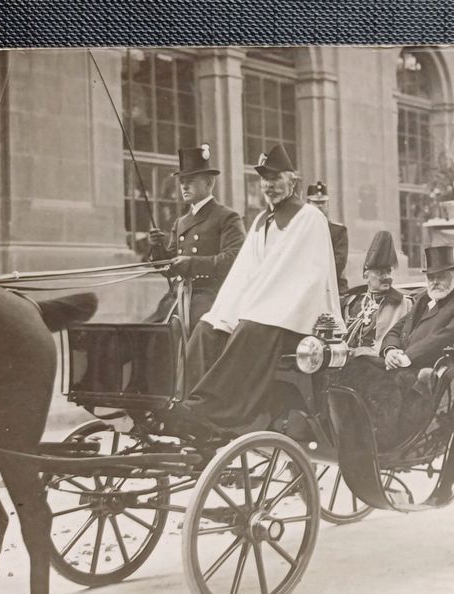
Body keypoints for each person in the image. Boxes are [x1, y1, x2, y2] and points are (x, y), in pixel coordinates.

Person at [166, 144, 345, 435]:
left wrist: (258, 307)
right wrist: (225, 311)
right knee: (207, 328)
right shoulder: (262, 221)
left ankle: (216, 409)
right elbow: (243, 271)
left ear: (293, 180)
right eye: (264, 179)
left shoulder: (309, 217)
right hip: (265, 305)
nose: (269, 185)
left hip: (296, 313)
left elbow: (306, 276)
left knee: (250, 329)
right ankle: (190, 405)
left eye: (275, 178)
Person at [335, 246, 454, 451]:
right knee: (353, 367)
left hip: (425, 367)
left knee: (384, 385)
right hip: (399, 361)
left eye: (441, 276)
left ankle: (382, 441)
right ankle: (346, 431)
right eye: (431, 277)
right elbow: (396, 329)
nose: (435, 282)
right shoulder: (424, 298)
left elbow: (446, 335)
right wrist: (391, 350)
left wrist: (407, 356)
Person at [144, 144, 244, 334]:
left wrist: (192, 263)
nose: (184, 186)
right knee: (145, 332)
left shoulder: (227, 217)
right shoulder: (181, 222)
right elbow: (169, 268)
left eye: (190, 180)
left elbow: (234, 260)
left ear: (209, 182)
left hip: (210, 295)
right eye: (182, 181)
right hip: (177, 294)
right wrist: (157, 249)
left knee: (189, 332)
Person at [343, 230, 412, 357]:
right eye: (380, 272)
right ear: (366, 275)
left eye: (388, 272)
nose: (386, 277)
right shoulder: (352, 302)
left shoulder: (404, 303)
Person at [306, 181, 349, 295]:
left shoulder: (338, 231)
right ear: (307, 204)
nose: (320, 206)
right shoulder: (301, 231)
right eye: (315, 202)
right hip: (306, 287)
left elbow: (339, 263)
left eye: (323, 202)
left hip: (333, 288)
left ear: (328, 205)